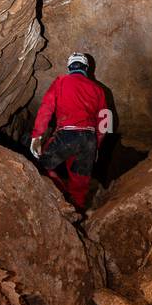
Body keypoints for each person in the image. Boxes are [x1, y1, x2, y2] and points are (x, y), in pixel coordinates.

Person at [30, 53, 111, 211]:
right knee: (80, 183)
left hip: (67, 135)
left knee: (40, 168)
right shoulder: (98, 89)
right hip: (89, 139)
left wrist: (37, 135)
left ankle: (58, 195)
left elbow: (46, 108)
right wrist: (96, 146)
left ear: (69, 67)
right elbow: (105, 122)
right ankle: (76, 211)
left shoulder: (61, 82)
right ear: (86, 68)